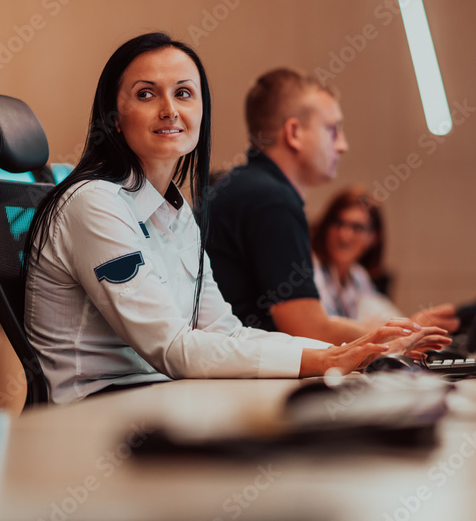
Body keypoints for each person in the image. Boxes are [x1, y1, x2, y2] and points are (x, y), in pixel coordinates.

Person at [22, 34, 448, 404]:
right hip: (96, 412)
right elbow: (172, 347)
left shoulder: (174, 212)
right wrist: (333, 358)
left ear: (202, 110)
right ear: (114, 119)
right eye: (146, 94)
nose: (170, 109)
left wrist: (355, 349)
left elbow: (227, 330)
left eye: (184, 93)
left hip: (155, 393)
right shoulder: (93, 203)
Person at [205, 68, 458, 344]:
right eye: (333, 129)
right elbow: (309, 329)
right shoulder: (271, 199)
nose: (342, 145)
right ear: (294, 133)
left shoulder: (246, 187)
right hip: (239, 381)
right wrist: (403, 336)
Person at [311, 186, 409, 327]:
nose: (344, 235)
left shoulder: (358, 275)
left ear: (374, 237)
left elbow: (385, 316)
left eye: (357, 227)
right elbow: (319, 330)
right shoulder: (309, 271)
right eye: (338, 224)